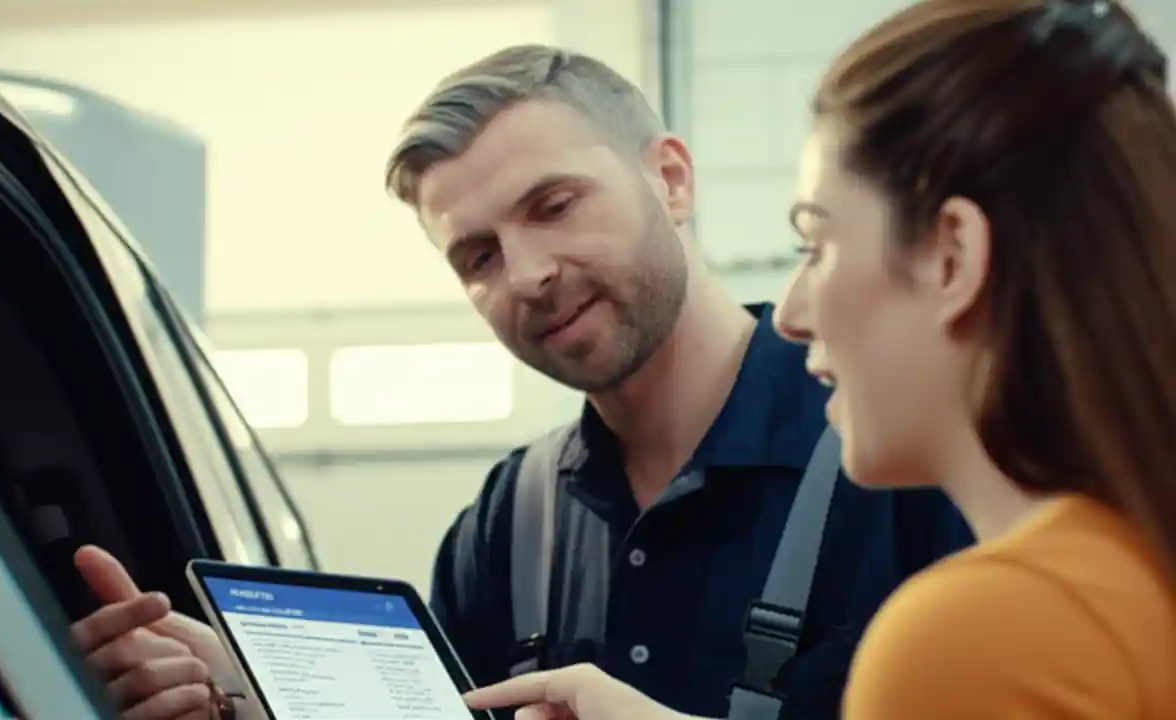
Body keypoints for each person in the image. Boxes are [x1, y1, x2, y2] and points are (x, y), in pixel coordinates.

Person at [68, 45, 973, 720]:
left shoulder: (914, 458)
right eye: (478, 254)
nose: (528, 273)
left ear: (671, 179)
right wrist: (241, 698)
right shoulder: (511, 523)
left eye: (554, 205)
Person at [461, 1, 1176, 719]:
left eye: (816, 245)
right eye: (478, 255)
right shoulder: (1131, 577)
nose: (794, 315)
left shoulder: (972, 634)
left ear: (953, 257)